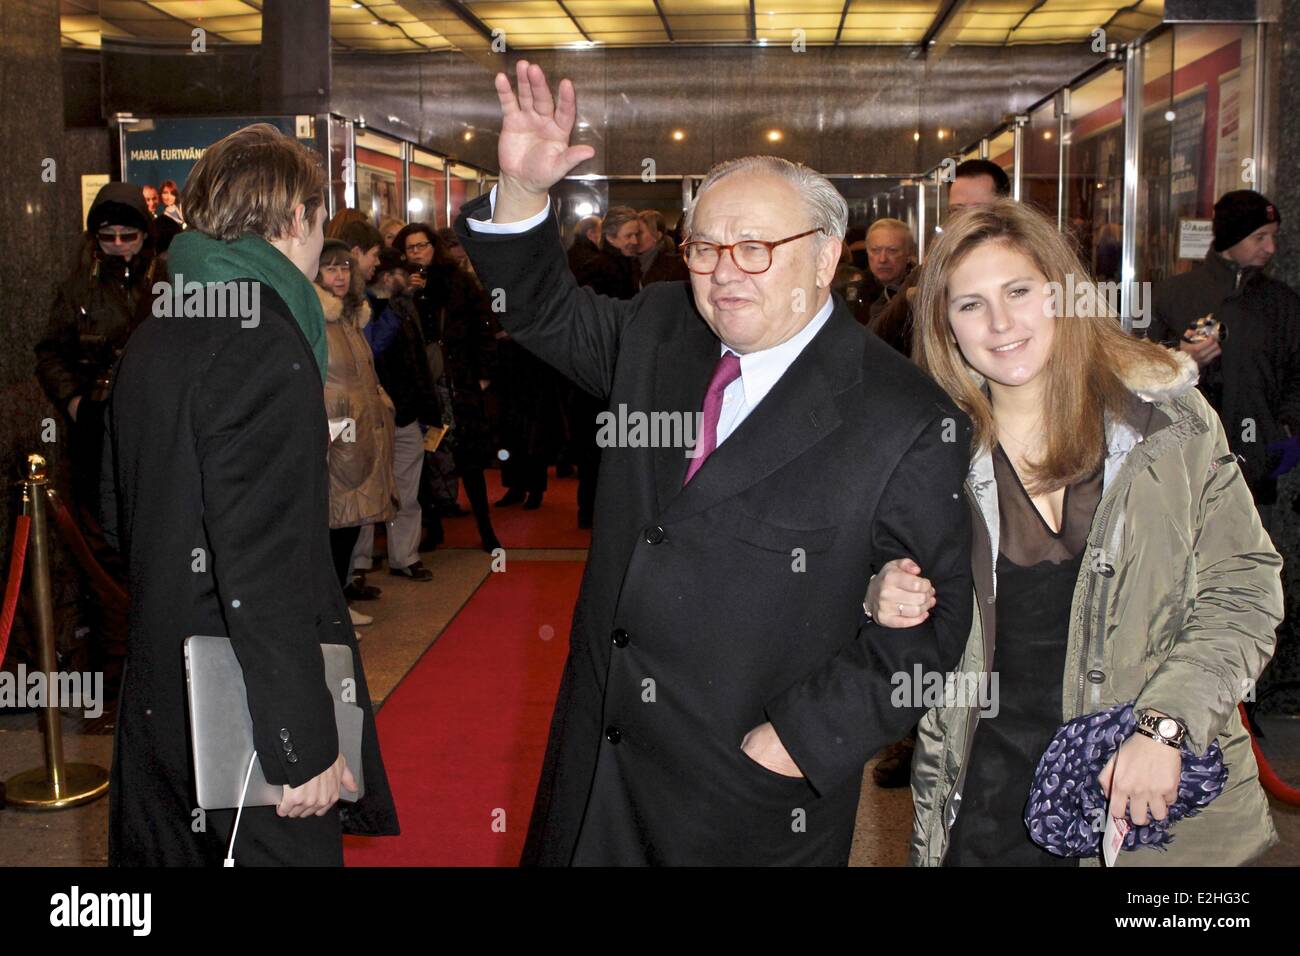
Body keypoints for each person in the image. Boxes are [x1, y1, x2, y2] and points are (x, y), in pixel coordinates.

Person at [458, 60, 973, 866]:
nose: (725, 270)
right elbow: (537, 308)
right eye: (705, 246)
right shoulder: (660, 331)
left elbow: (935, 627)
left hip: (743, 796)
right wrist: (522, 191)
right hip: (600, 760)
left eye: (756, 247)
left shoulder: (902, 417)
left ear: (825, 254)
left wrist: (799, 742)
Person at [865, 199, 1280, 866]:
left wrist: (1164, 726)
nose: (1000, 323)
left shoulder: (1168, 422)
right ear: (945, 324)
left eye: (1019, 291)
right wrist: (878, 591)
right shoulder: (926, 448)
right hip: (986, 793)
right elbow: (856, 573)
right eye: (970, 305)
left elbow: (1244, 588)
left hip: (1143, 789)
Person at [103, 123, 398, 865]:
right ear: (296, 219)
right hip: (245, 710)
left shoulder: (157, 326)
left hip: (163, 688)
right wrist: (300, 741)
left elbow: (115, 515)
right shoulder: (265, 339)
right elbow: (264, 565)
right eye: (318, 217)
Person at [866, 158, 1014, 788]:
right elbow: (871, 357)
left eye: (978, 209)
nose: (1000, 321)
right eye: (956, 210)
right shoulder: (920, 292)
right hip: (932, 473)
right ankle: (913, 733)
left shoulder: (1042, 287)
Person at [1146, 190, 1300, 536]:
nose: (1270, 248)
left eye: (1273, 237)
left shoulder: (1282, 303)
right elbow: (1141, 366)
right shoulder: (1177, 293)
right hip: (1183, 467)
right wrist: (1180, 357)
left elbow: (1297, 371)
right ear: (1231, 237)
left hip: (1256, 469)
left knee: (1253, 568)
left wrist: (1287, 429)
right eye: (1260, 237)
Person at [397, 222, 502, 552]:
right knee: (426, 456)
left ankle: (486, 529)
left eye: (422, 245)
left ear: (434, 246)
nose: (418, 253)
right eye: (411, 248)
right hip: (421, 386)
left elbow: (483, 327)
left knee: (468, 457)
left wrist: (483, 374)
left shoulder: (458, 281)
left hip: (458, 382)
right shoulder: (400, 287)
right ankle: (435, 528)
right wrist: (405, 295)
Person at [314, 240, 406, 589]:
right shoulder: (317, 317)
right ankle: (333, 611)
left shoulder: (349, 316)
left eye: (345, 267)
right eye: (330, 268)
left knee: (350, 525)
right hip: (336, 434)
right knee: (335, 525)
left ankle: (340, 604)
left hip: (358, 430)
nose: (339, 276)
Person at [870, 159, 1011, 356]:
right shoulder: (931, 268)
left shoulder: (1024, 263)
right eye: (957, 210)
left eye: (978, 210)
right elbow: (876, 338)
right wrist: (915, 294)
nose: (966, 220)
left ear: (1006, 208)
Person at [364, 247, 445, 568]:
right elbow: (374, 348)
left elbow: (419, 361)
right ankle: (359, 562)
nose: (409, 277)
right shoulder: (365, 307)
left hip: (408, 411)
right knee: (368, 490)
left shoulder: (407, 305)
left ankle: (405, 557)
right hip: (374, 412)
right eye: (401, 272)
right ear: (387, 276)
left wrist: (429, 409)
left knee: (408, 491)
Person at [863, 218, 915, 323]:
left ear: (909, 254)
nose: (882, 259)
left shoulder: (917, 292)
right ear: (867, 252)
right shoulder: (855, 292)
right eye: (875, 250)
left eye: (892, 251)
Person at [638, 209, 689, 285]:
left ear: (657, 235)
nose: (635, 238)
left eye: (640, 233)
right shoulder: (632, 263)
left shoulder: (673, 265)